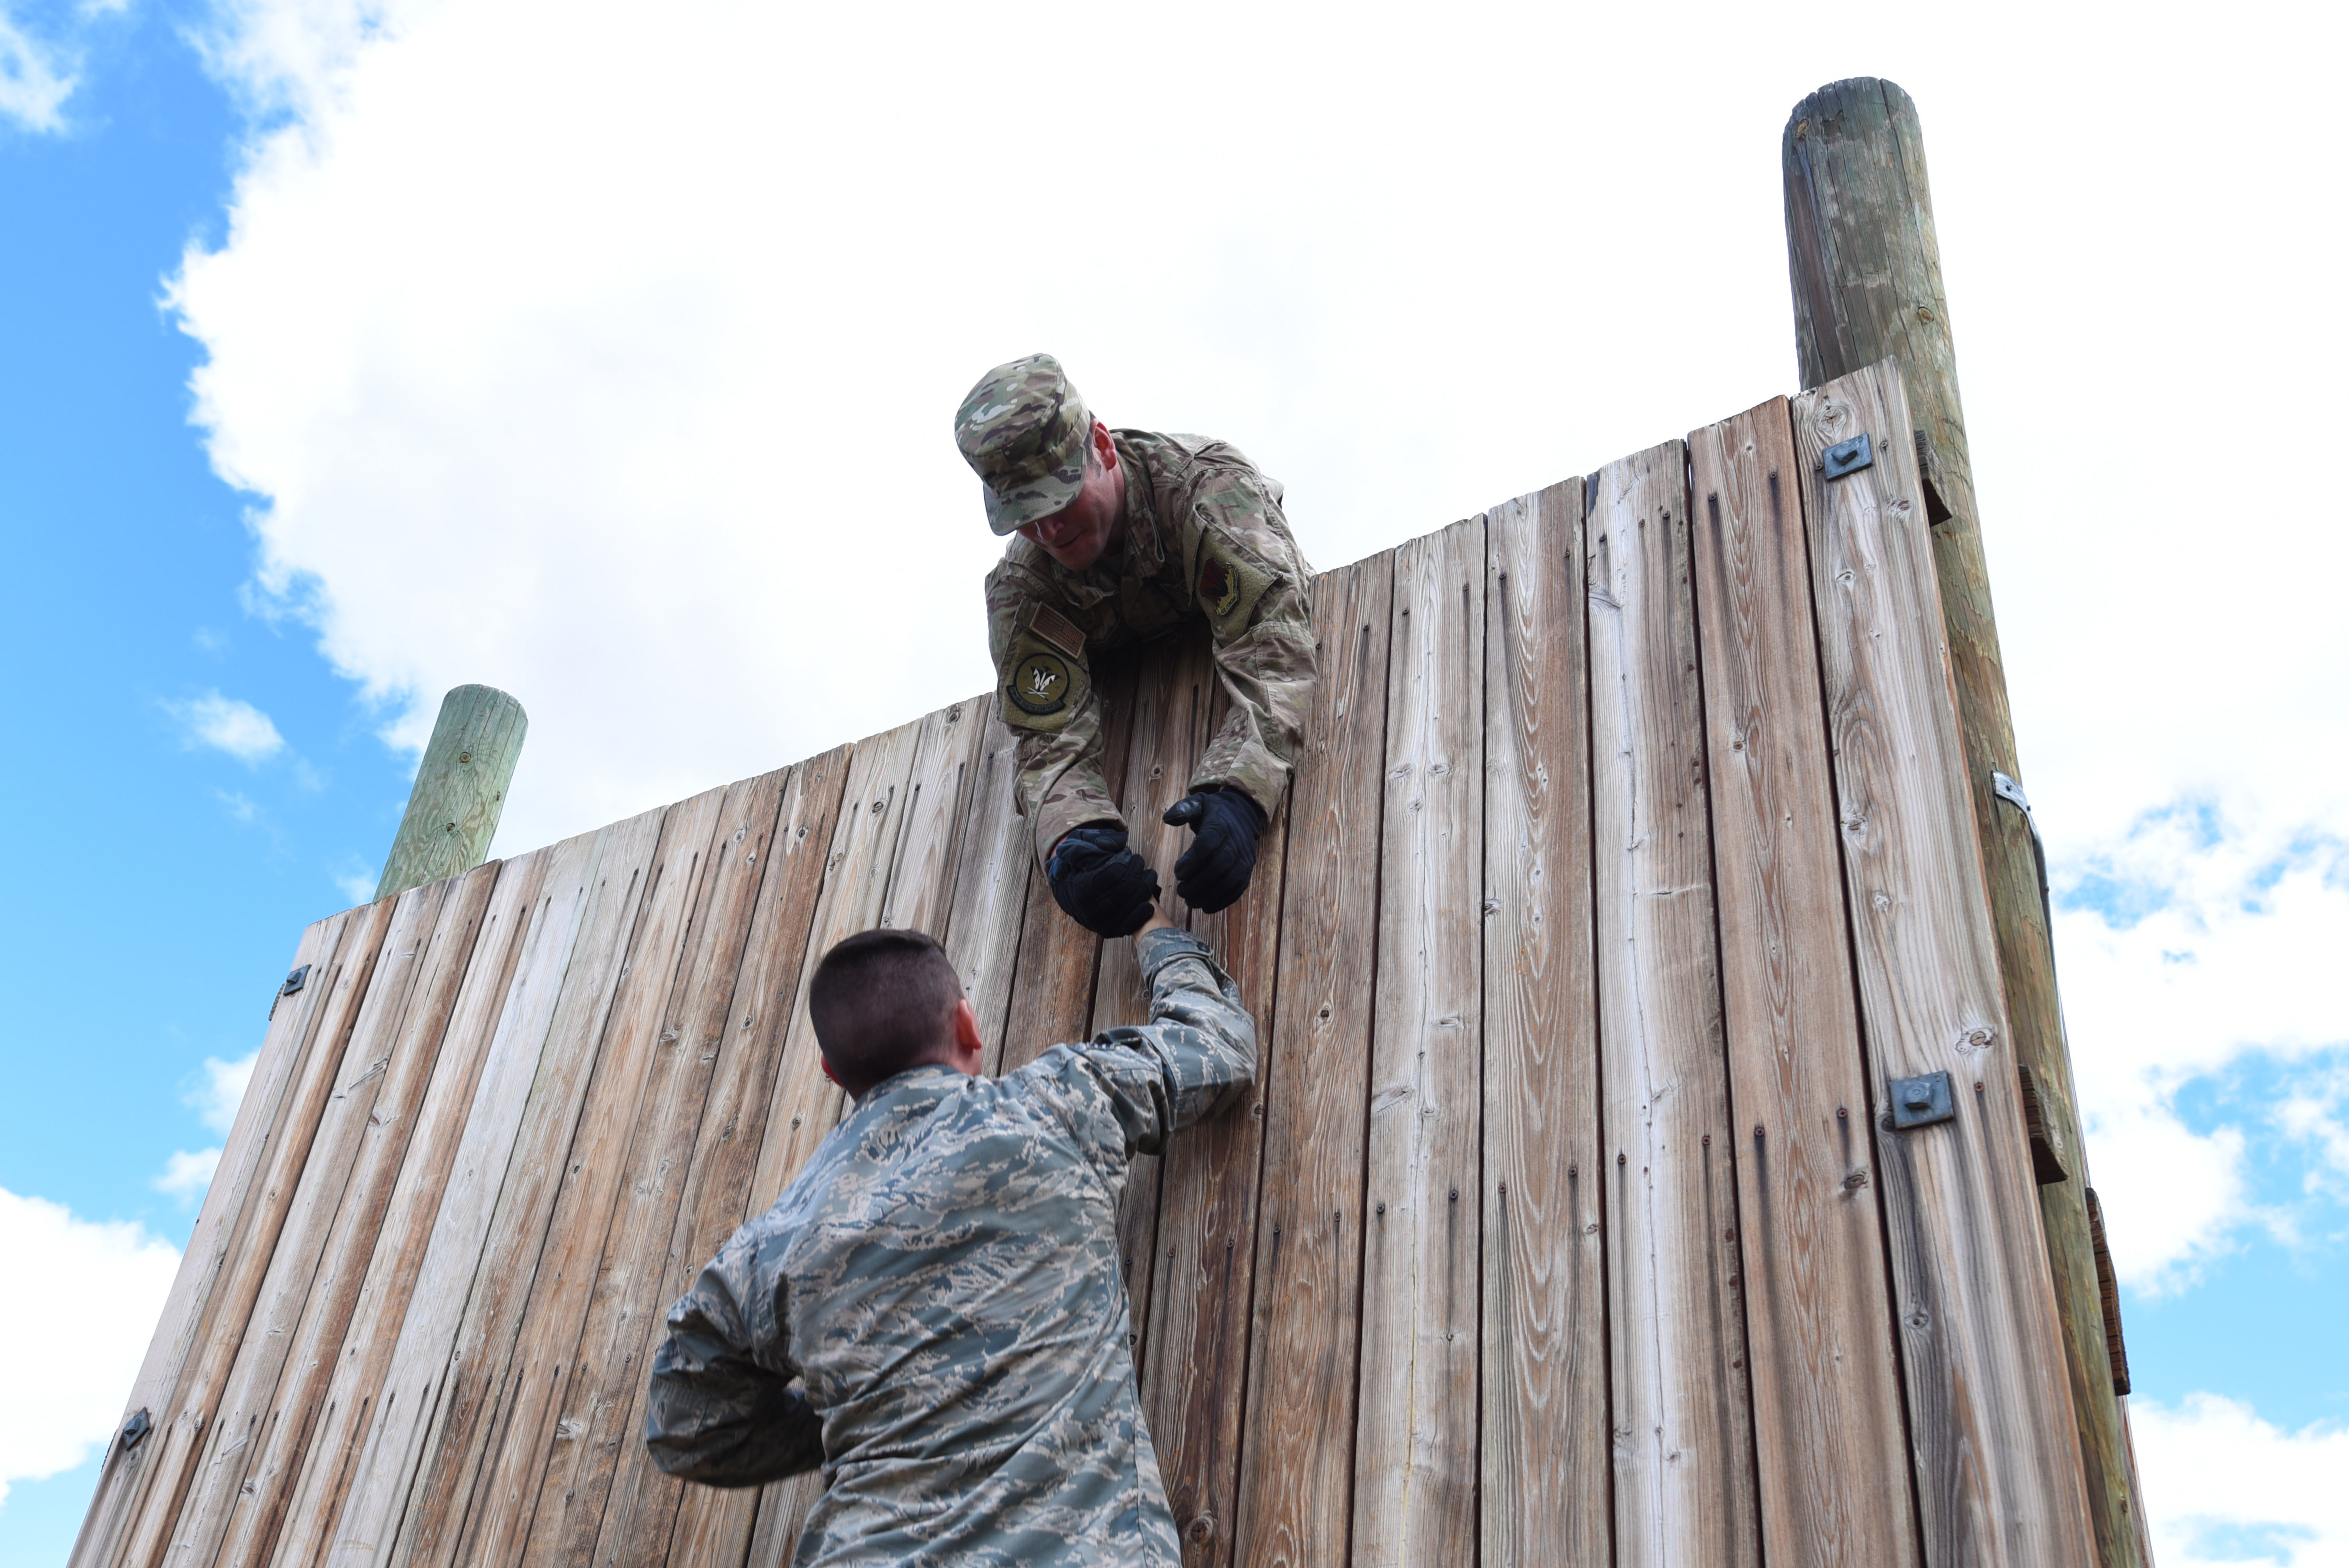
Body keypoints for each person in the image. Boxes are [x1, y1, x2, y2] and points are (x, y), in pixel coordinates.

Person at [642, 910, 1257, 1566]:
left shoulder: (770, 1248)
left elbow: (684, 1423)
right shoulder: (1056, 1107)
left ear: (830, 1071)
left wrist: (851, 1422)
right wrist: (1156, 933)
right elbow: (1215, 1044)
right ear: (968, 1023)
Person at [958, 353, 1317, 936]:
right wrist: (1074, 846)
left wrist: (1240, 794)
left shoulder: (1209, 490)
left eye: (1057, 499)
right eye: (1025, 515)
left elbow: (1272, 644)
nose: (1048, 532)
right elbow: (1048, 744)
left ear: (1101, 446)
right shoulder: (1025, 590)